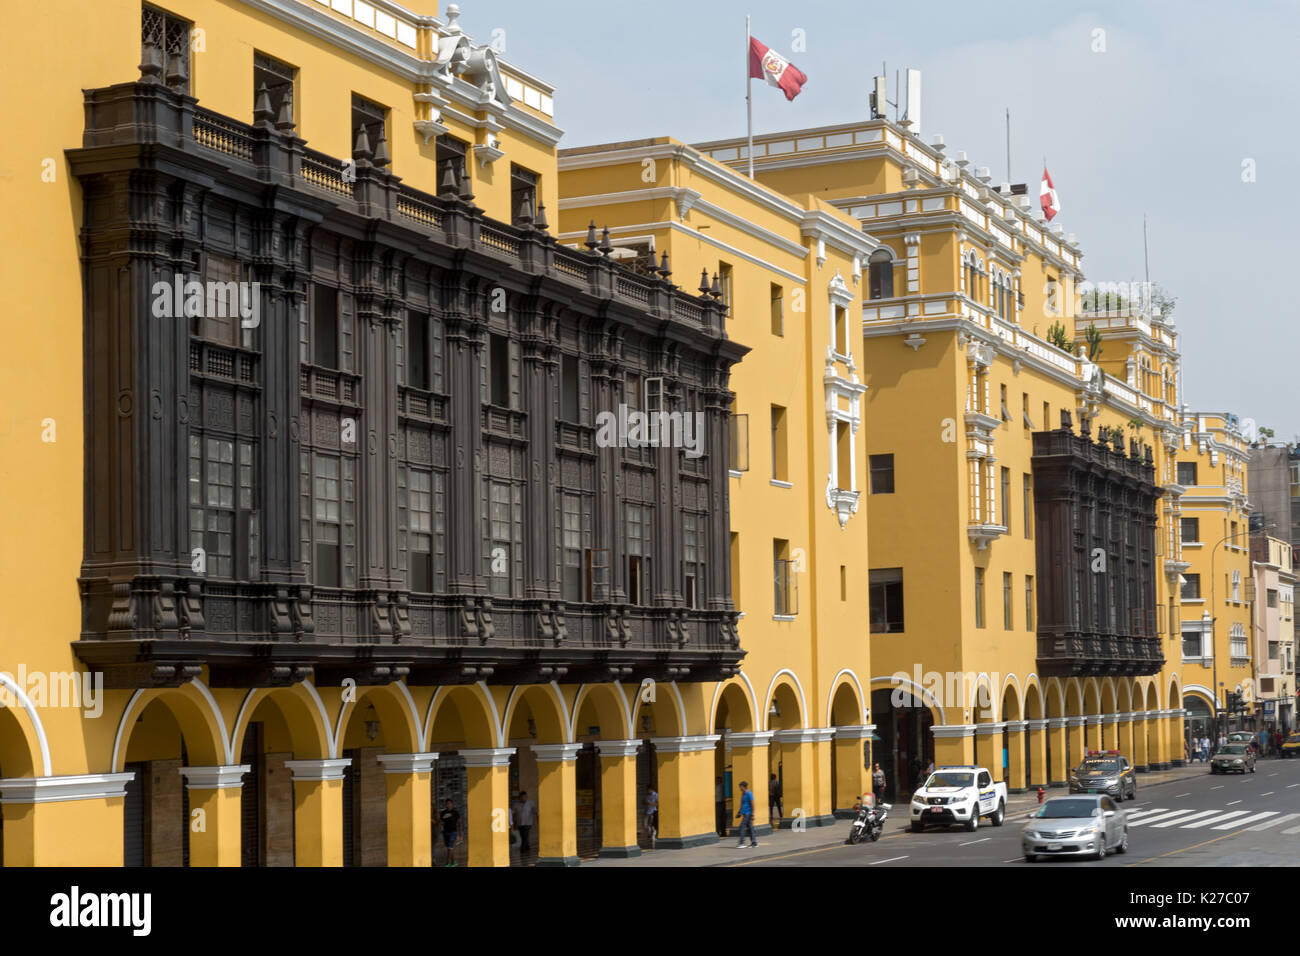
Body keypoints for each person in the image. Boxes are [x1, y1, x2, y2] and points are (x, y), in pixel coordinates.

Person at [438, 798, 462, 867]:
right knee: (449, 847)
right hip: (445, 832)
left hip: (453, 832)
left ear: (452, 804)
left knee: (450, 847)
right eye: (447, 804)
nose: (448, 805)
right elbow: (440, 822)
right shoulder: (443, 813)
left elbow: (460, 823)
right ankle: (454, 862)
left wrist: (460, 833)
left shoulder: (455, 812)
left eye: (449, 803)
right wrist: (439, 831)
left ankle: (447, 863)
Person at [735, 780, 757, 848]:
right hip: (744, 813)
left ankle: (742, 843)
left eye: (740, 787)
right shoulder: (743, 794)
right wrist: (739, 812)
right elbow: (743, 804)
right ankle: (754, 842)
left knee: (742, 827)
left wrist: (752, 814)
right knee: (750, 828)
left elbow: (752, 804)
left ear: (743, 787)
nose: (740, 788)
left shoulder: (749, 793)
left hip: (748, 813)